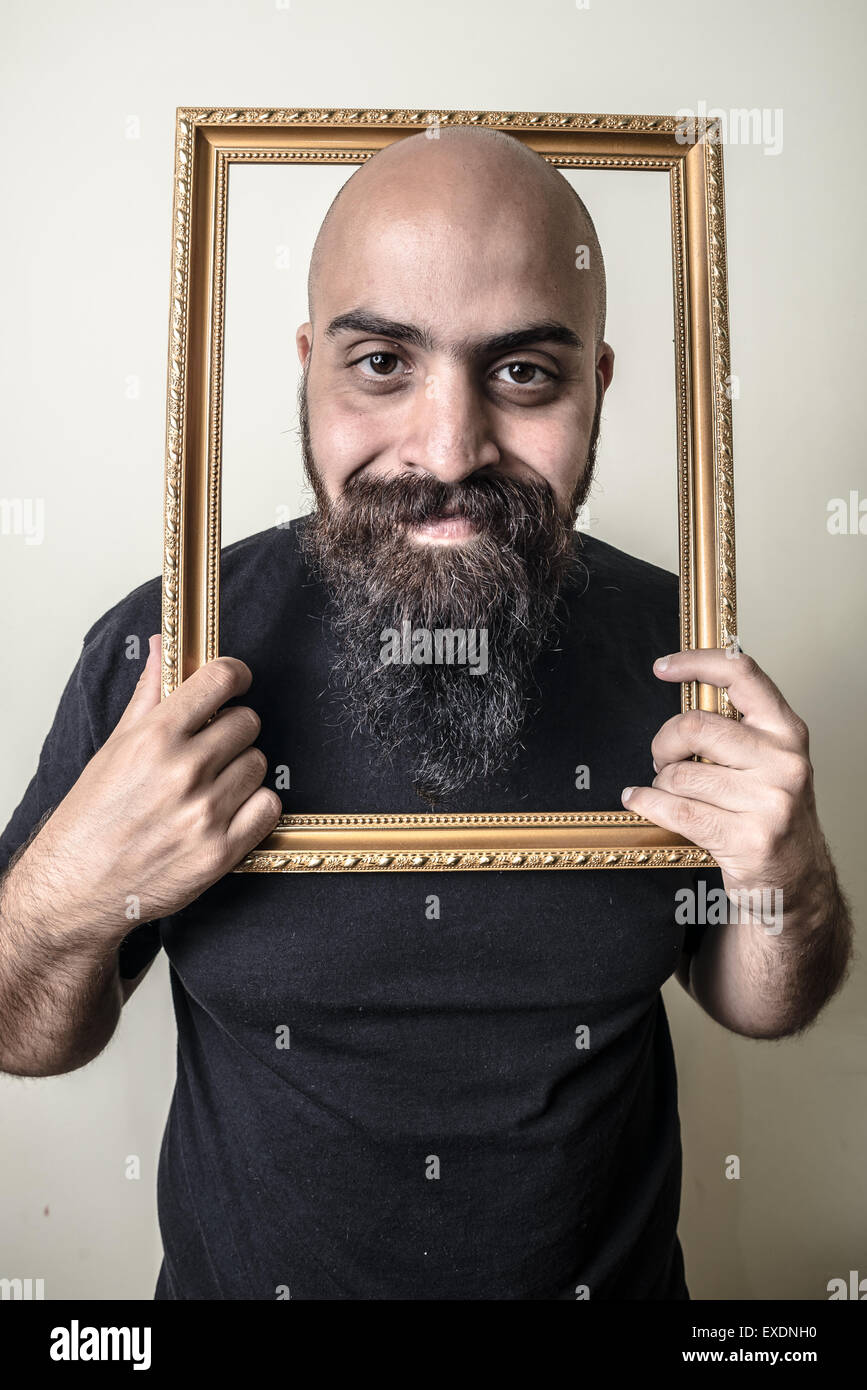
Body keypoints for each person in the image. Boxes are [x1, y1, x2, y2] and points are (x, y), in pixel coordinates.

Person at [0, 127, 851, 1300]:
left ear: (594, 388)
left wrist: (789, 881)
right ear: (311, 368)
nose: (449, 448)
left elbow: (752, 999)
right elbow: (26, 1033)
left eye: (521, 373)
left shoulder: (686, 656)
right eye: (384, 363)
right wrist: (70, 895)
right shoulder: (168, 655)